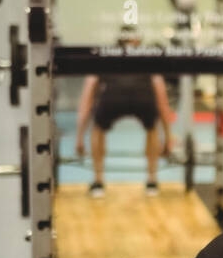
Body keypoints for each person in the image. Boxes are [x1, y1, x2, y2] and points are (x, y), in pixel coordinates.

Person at [74, 30, 173, 197]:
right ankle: (152, 181)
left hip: (112, 98)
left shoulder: (106, 57)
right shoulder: (147, 58)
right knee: (151, 127)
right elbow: (162, 100)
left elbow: (87, 97)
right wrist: (168, 138)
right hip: (143, 99)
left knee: (98, 128)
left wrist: (80, 137)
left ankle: (98, 182)